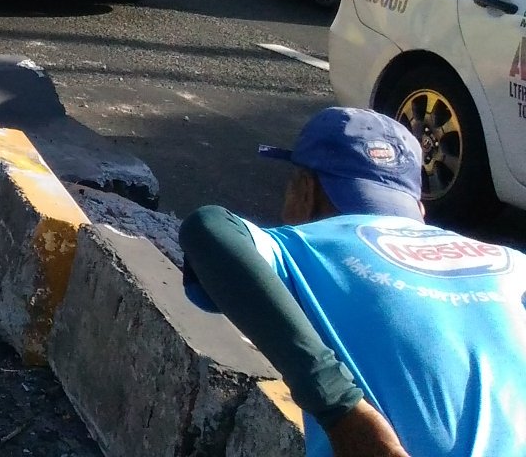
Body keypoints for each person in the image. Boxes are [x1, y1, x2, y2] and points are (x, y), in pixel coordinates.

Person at [180, 107, 526, 457]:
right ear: (418, 208)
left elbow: (209, 228)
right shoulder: (511, 263)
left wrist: (341, 410)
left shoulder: (304, 246)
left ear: (304, 189)